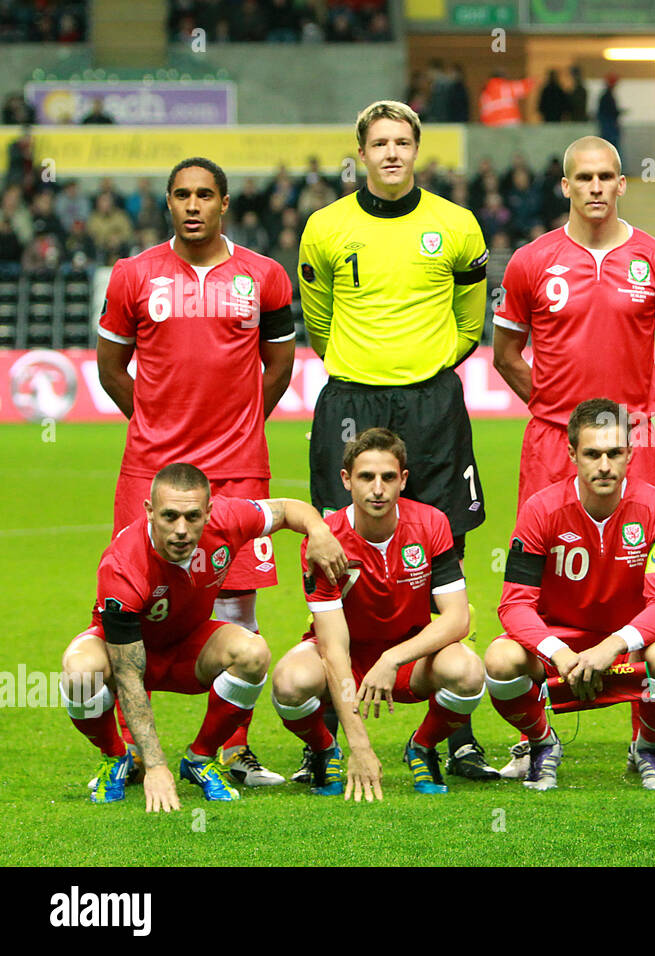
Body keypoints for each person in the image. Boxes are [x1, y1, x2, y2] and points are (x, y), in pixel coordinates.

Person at [298, 100, 496, 780]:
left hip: (432, 402)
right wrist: (360, 367)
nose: (391, 153)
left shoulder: (456, 225)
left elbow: (473, 312)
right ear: (360, 152)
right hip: (352, 397)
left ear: (418, 150)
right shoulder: (325, 228)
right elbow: (318, 319)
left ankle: (455, 733)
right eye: (379, 142)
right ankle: (326, 728)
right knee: (334, 544)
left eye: (402, 142)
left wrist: (437, 360)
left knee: (446, 542)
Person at [97, 156, 297, 788]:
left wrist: (239, 426)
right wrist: (153, 424)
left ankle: (225, 751)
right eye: (181, 194)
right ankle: (135, 751)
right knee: (130, 609)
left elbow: (280, 366)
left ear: (225, 203)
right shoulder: (134, 275)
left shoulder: (263, 276)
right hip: (150, 471)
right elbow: (110, 368)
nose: (192, 205)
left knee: (238, 610)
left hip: (238, 469)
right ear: (167, 202)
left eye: (204, 195)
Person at [59, 464, 347, 810]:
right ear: (149, 511)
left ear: (209, 512)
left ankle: (200, 758)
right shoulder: (122, 565)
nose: (182, 530)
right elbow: (128, 676)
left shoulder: (228, 518)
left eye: (193, 517)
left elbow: (287, 510)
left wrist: (319, 530)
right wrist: (154, 765)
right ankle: (115, 758)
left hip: (187, 648)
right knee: (80, 670)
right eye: (169, 516)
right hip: (126, 655)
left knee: (252, 652)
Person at [272, 428, 485, 799]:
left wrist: (393, 658)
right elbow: (333, 647)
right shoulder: (324, 541)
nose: (377, 489)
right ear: (346, 480)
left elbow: (456, 619)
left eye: (388, 477)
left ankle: (421, 746)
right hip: (345, 656)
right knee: (290, 682)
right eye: (366, 477)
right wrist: (360, 747)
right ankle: (325, 750)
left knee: (467, 672)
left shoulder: (432, 523)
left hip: (407, 659)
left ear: (403, 480)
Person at [487, 399, 655, 791]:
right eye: (592, 454)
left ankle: (647, 748)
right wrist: (559, 653)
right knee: (500, 659)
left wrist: (610, 647)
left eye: (615, 453)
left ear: (630, 453)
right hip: (560, 640)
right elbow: (514, 604)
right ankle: (542, 745)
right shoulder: (539, 510)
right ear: (572, 454)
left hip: (626, 643)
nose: (604, 466)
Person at [493, 136, 655, 511]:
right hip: (554, 440)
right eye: (584, 178)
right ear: (566, 186)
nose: (596, 187)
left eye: (606, 176)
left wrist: (633, 405)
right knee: (545, 560)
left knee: (635, 556)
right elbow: (505, 356)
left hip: (631, 437)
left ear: (622, 183)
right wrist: (554, 409)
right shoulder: (529, 261)